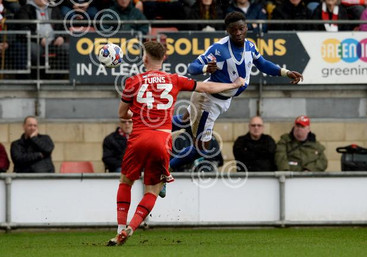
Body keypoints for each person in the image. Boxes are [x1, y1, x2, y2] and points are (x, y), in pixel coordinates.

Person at [107, 40, 246, 246]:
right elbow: (206, 86)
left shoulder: (133, 81)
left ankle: (119, 228)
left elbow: (122, 115)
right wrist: (234, 85)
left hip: (138, 137)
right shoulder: (174, 79)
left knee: (126, 181)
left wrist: (137, 113)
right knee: (153, 190)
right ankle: (132, 227)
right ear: (164, 58)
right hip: (162, 139)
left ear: (144, 58)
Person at [169, 11, 303, 176]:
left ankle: (153, 127)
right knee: (201, 148)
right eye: (233, 30)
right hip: (208, 101)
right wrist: (205, 68)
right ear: (227, 30)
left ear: (246, 27)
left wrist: (285, 72)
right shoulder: (219, 49)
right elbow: (192, 67)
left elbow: (263, 64)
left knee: (184, 121)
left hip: (221, 99)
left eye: (241, 28)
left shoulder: (250, 46)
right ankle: (167, 167)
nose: (238, 33)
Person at [14, 0, 68, 70]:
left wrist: (61, 37)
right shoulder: (25, 9)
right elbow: (23, 28)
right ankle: (39, 75)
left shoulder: (54, 9)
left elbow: (63, 26)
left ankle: (58, 76)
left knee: (67, 48)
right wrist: (40, 39)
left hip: (54, 42)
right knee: (33, 50)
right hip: (35, 42)